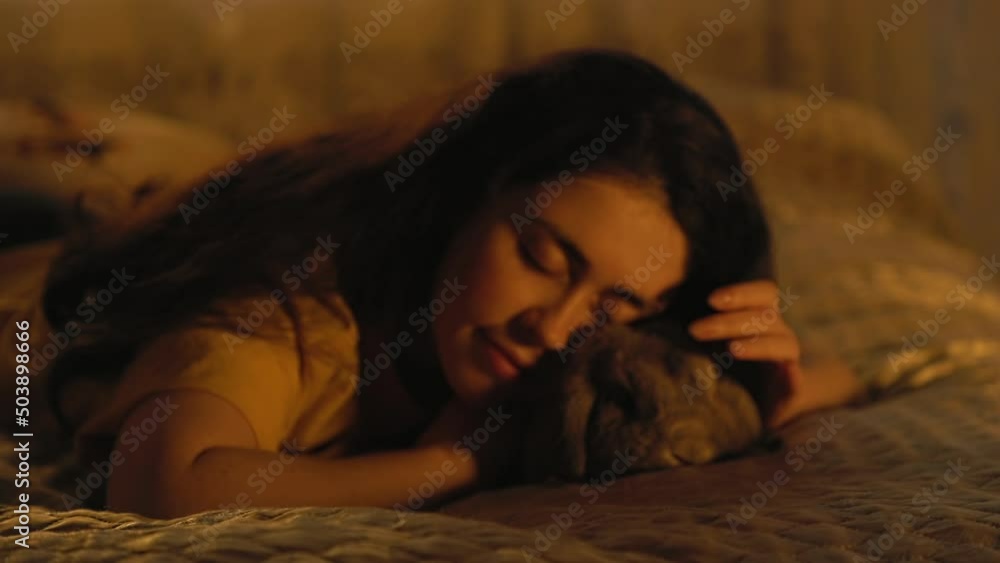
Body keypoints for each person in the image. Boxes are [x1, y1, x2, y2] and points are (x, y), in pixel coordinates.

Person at [6, 48, 862, 519]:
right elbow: (164, 485)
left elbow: (844, 375)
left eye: (616, 303)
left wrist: (757, 384)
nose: (553, 327)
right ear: (471, 192)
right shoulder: (300, 298)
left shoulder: (581, 361)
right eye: (542, 256)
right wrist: (453, 463)